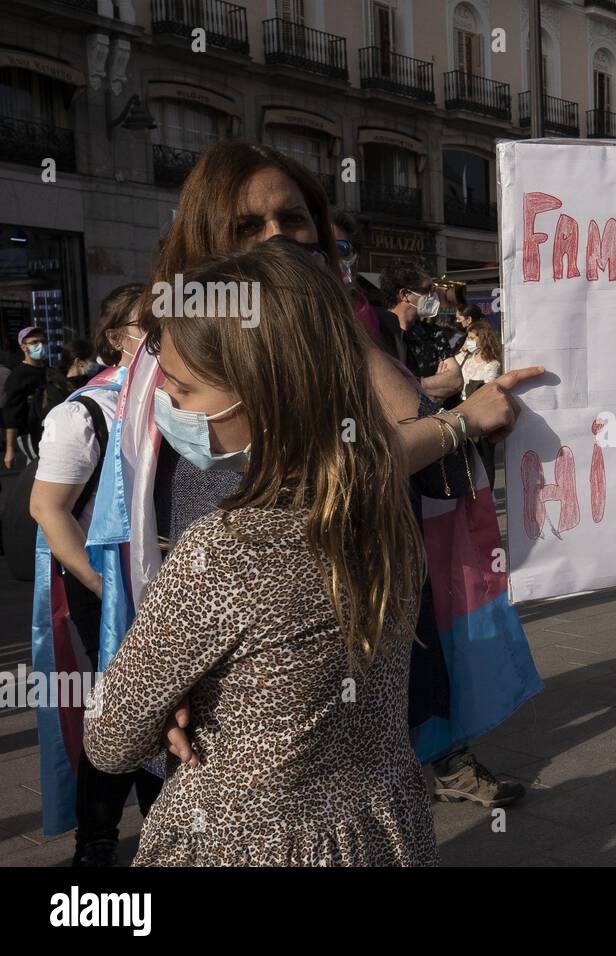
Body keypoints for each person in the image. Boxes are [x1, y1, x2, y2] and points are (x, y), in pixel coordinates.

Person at [51, 140, 540, 841]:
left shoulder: (333, 335)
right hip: (237, 721)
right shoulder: (193, 337)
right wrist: (460, 424)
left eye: (294, 220)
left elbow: (392, 427)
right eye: (250, 228)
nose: (278, 239)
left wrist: (325, 312)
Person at [83, 240, 442, 866]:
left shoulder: (222, 551)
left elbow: (110, 740)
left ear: (262, 392)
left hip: (241, 842)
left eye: (185, 389)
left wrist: (167, 698)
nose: (166, 406)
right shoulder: (379, 506)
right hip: (380, 830)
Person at [29, 283, 160, 864]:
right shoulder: (83, 412)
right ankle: (98, 840)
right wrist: (102, 587)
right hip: (106, 586)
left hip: (171, 581)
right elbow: (48, 509)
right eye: (148, 330)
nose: (163, 341)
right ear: (117, 339)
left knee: (169, 706)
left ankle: (170, 830)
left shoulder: (176, 397)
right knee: (119, 711)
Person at [377, 259, 463, 405]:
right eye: (427, 290)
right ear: (405, 294)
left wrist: (406, 385)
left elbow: (455, 380)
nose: (433, 296)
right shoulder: (377, 330)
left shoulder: (433, 334)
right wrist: (433, 389)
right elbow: (381, 390)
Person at [460, 321, 503, 489]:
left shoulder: (492, 364)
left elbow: (488, 386)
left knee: (484, 456)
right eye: (467, 338)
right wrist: (462, 351)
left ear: (482, 340)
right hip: (463, 409)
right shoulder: (466, 359)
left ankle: (487, 494)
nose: (468, 341)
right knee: (468, 458)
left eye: (472, 338)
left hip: (482, 412)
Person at [3, 325, 51, 469]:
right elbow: (12, 414)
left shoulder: (49, 371)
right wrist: (9, 449)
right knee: (40, 469)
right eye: (35, 342)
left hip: (49, 431)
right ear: (24, 347)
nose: (40, 345)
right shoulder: (18, 376)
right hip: (30, 434)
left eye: (43, 341)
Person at [331, 210, 381, 342]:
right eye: (322, 248)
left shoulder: (386, 323)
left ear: (355, 258)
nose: (330, 256)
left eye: (340, 248)